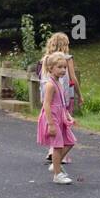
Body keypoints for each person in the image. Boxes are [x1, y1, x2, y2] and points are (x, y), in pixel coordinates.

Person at [37, 51, 77, 184]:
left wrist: (68, 115)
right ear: (50, 68)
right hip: (52, 118)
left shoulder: (59, 82)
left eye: (65, 67)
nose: (63, 70)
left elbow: (62, 103)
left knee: (70, 141)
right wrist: (51, 124)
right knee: (58, 146)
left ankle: (56, 164)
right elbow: (46, 104)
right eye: (59, 67)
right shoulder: (50, 85)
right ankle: (57, 174)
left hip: (60, 116)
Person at [40, 32, 79, 164]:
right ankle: (59, 156)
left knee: (56, 123)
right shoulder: (67, 58)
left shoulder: (47, 59)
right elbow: (73, 78)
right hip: (64, 97)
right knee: (63, 125)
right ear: (64, 45)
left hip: (47, 96)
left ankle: (52, 151)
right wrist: (80, 93)